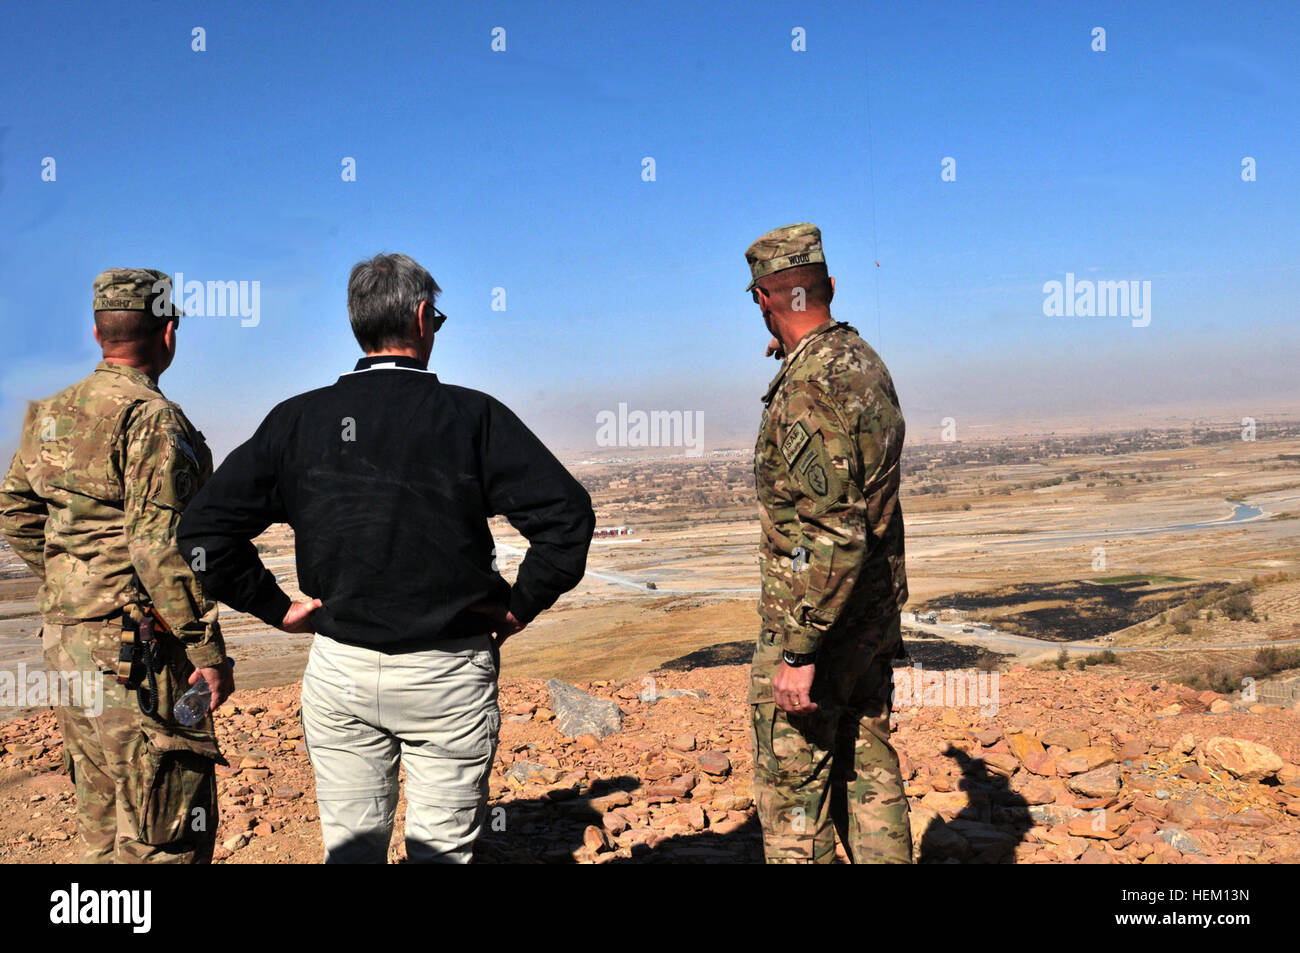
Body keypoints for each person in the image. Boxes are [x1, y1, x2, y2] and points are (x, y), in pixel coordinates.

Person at [177, 252, 595, 863]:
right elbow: (568, 520)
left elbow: (203, 534)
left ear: (359, 325)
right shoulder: (472, 415)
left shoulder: (296, 420)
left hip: (340, 667)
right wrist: (517, 608)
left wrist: (278, 610)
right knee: (443, 852)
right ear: (424, 318)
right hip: (448, 672)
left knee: (351, 850)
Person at [0, 268, 231, 863]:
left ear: (98, 331)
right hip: (137, 651)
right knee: (163, 827)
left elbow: (14, 510)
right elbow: (159, 547)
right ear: (169, 332)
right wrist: (205, 650)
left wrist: (69, 580)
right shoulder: (151, 418)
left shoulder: (48, 414)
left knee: (101, 813)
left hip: (68, 641)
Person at [745, 224, 912, 863]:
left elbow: (833, 531)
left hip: (817, 624)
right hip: (869, 612)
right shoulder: (865, 364)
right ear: (830, 287)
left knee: (794, 793)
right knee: (867, 768)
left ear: (763, 298)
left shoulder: (810, 385)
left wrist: (799, 650)